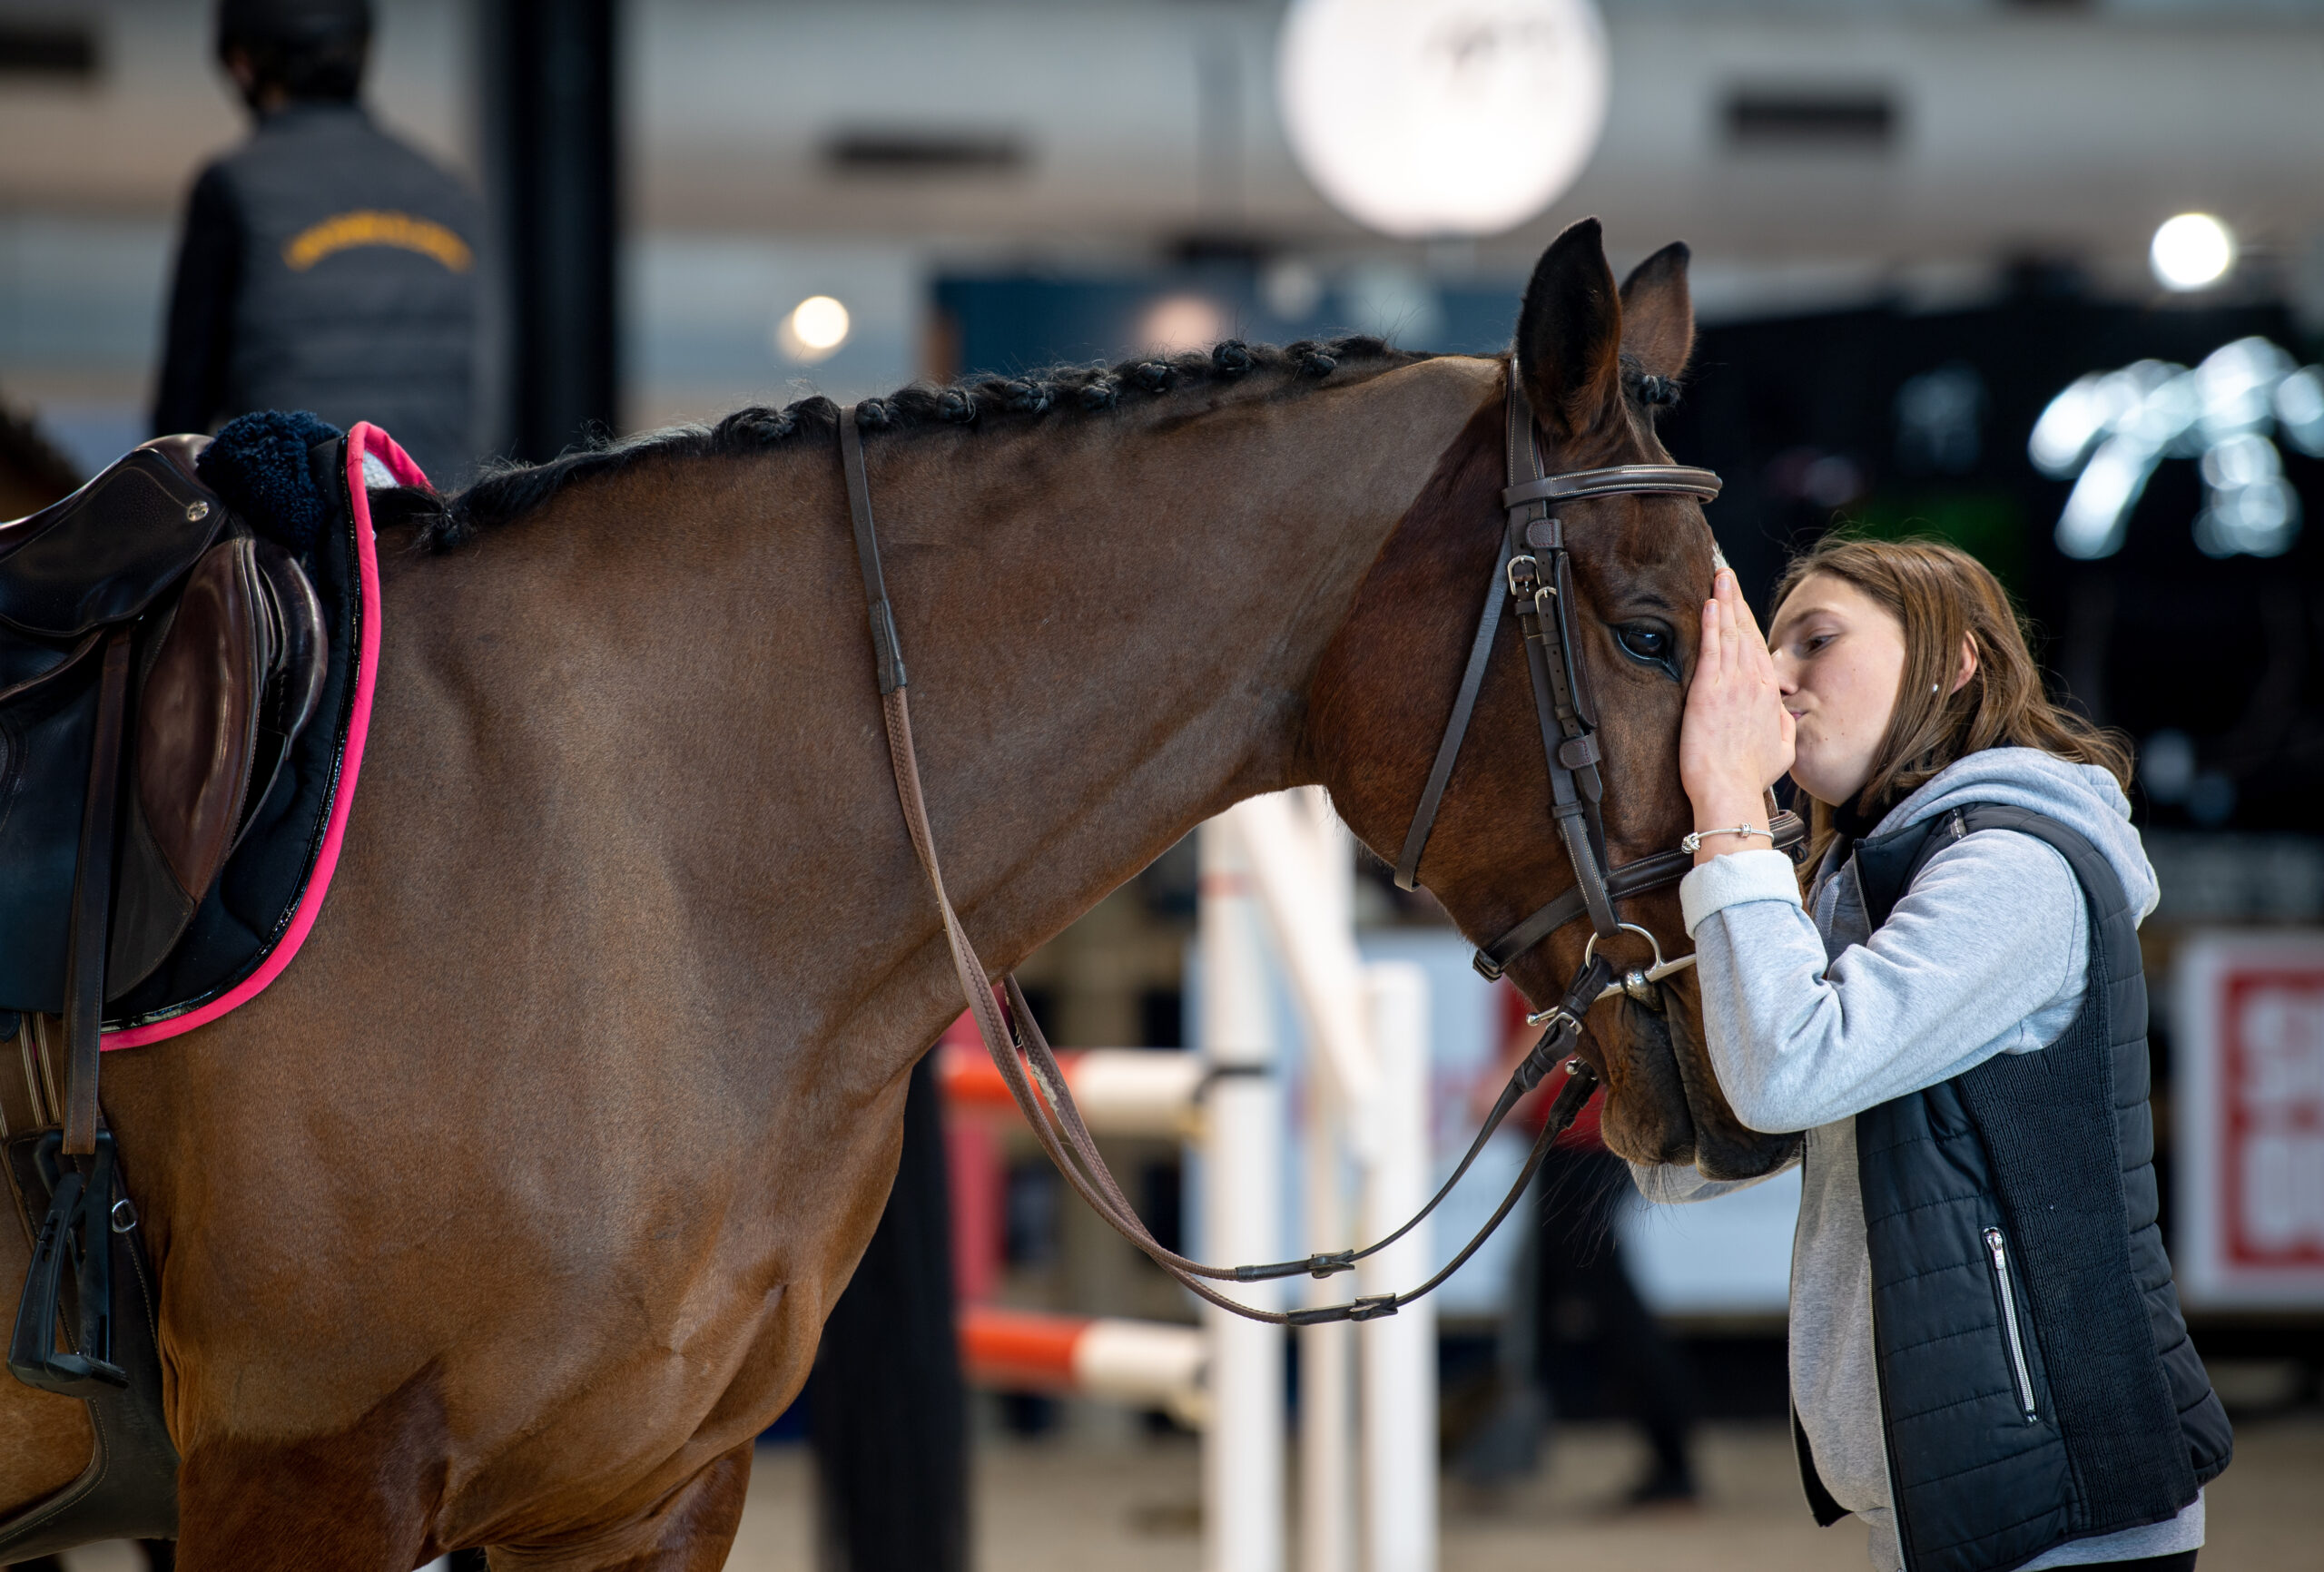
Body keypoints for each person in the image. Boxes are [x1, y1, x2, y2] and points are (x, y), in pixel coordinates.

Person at [1649, 535, 2230, 1572]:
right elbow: (1707, 1151)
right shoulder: (1861, 879)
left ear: (1951, 661)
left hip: (2063, 1505)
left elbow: (1788, 1072)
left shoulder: (2019, 865)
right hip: (1952, 1497)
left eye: (1815, 641)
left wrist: (1728, 814)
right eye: (1767, 649)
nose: (1773, 677)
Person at [153, 0, 480, 486]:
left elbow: (180, 418)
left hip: (302, 520)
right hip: (441, 513)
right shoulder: (448, 189)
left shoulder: (233, 186)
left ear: (242, 64)